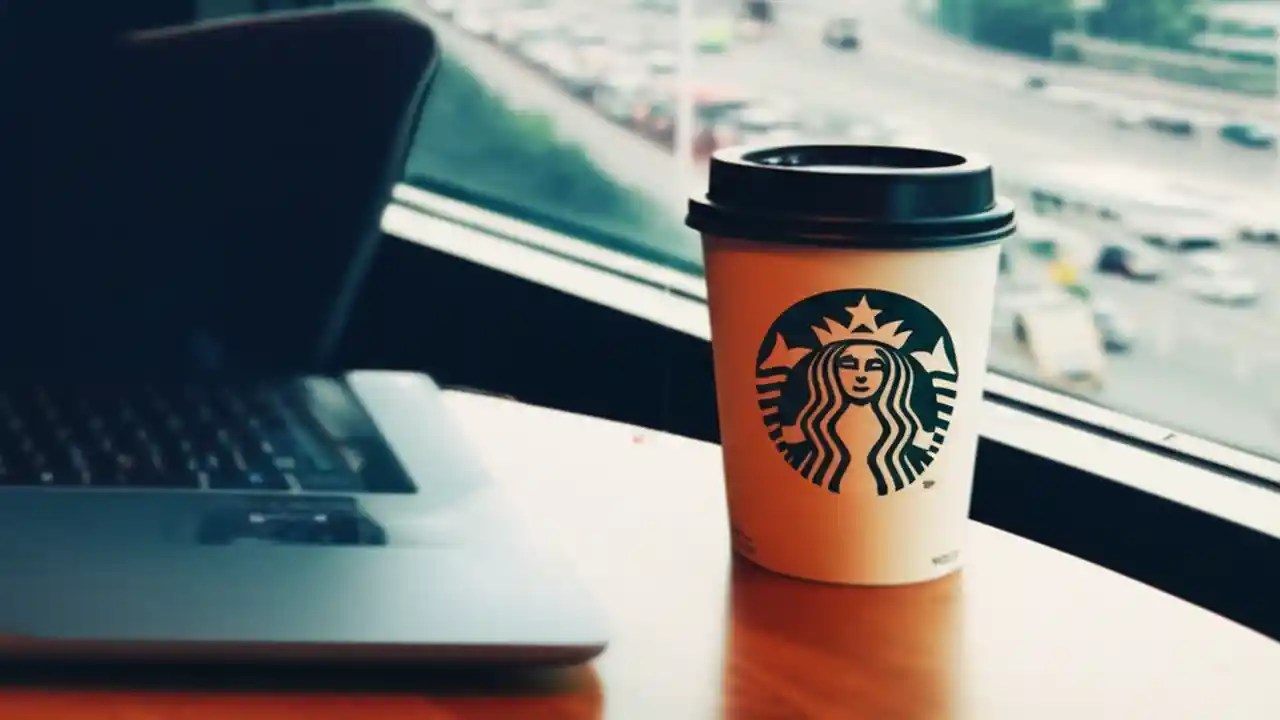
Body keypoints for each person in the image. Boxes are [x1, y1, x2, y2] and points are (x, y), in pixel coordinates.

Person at [779, 339, 935, 496]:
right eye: (848, 365)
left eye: (874, 366)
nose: (861, 375)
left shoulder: (906, 427)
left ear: (891, 374)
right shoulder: (810, 424)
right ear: (830, 372)